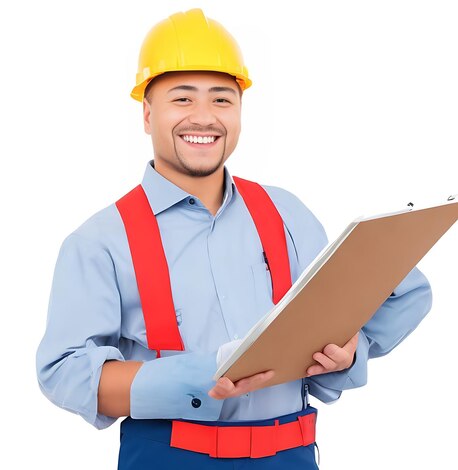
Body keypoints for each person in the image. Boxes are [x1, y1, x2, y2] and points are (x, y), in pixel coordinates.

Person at [36, 8, 432, 469]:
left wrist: (346, 352)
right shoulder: (100, 240)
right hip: (170, 459)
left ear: (240, 110)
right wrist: (198, 378)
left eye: (222, 99)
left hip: (291, 457)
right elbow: (62, 371)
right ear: (147, 113)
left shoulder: (286, 212)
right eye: (182, 100)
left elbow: (381, 299)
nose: (204, 118)